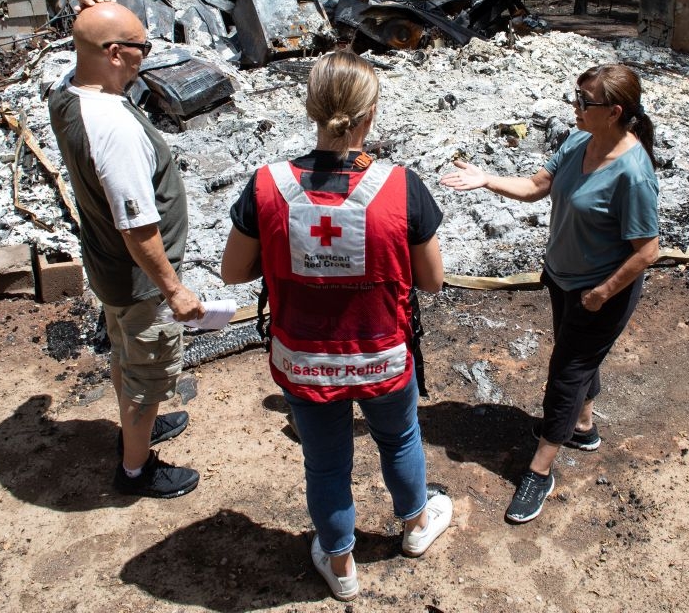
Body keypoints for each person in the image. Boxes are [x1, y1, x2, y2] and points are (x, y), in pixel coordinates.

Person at [220, 50, 453, 601]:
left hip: (304, 359)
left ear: (310, 108)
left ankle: (341, 563)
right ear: (370, 113)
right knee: (398, 438)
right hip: (383, 356)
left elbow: (233, 271)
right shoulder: (403, 186)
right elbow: (433, 281)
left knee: (325, 462)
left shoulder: (266, 185)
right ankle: (416, 528)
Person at [441, 63, 660, 524]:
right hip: (563, 278)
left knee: (567, 369)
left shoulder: (633, 173)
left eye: (584, 101)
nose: (574, 107)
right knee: (576, 356)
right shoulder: (579, 141)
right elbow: (538, 186)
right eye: (575, 97)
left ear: (615, 111)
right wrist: (488, 179)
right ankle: (582, 427)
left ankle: (540, 471)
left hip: (601, 290)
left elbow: (648, 251)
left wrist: (602, 293)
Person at [48, 0, 206, 499]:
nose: (148, 54)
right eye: (142, 45)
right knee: (145, 376)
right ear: (115, 53)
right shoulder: (114, 129)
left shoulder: (67, 92)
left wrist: (106, 10)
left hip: (107, 268)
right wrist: (174, 290)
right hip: (139, 283)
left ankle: (140, 426)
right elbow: (137, 227)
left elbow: (91, 42)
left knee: (123, 353)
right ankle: (135, 469)